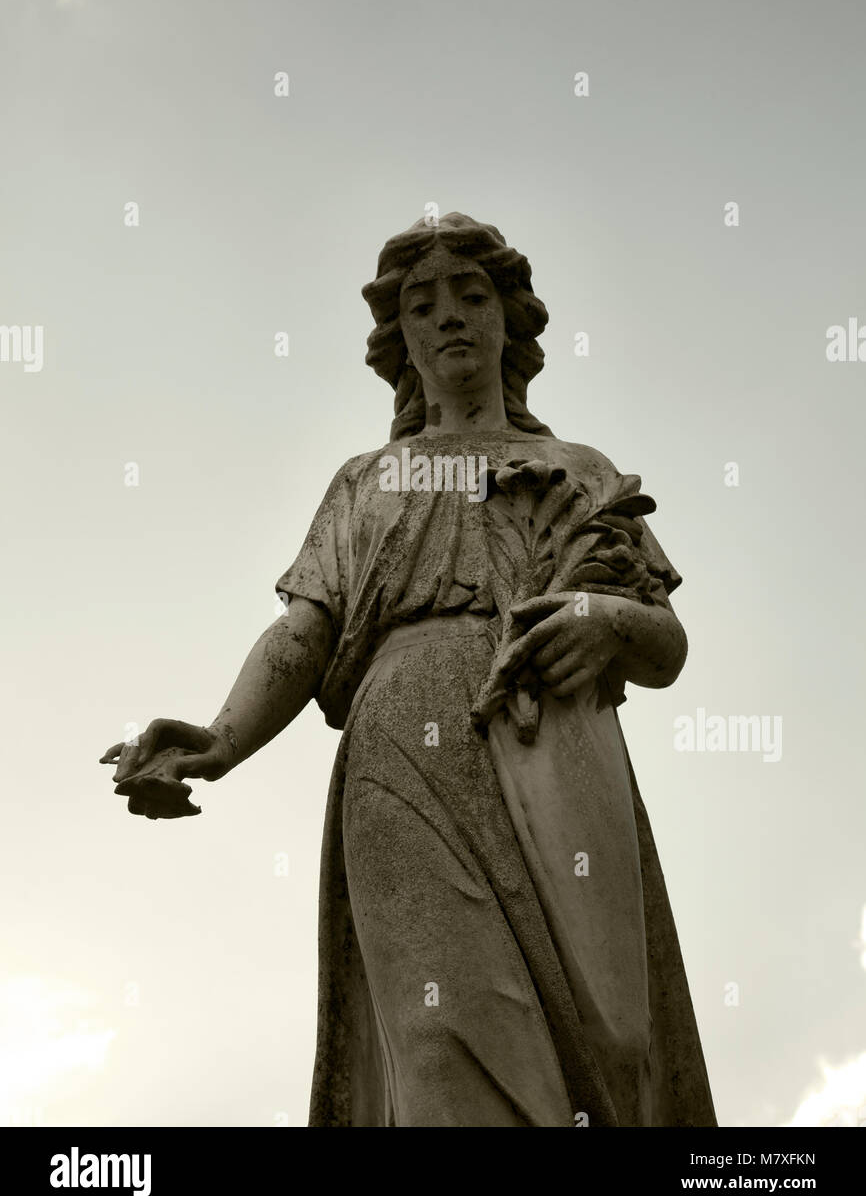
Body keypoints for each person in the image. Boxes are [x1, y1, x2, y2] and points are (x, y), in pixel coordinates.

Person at [102, 211, 717, 1128]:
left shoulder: (579, 471)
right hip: (402, 752)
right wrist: (221, 736)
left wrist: (603, 616)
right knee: (442, 1038)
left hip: (557, 746)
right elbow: (303, 634)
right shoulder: (367, 482)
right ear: (401, 340)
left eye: (472, 296)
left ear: (510, 320)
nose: (450, 317)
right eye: (423, 305)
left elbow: (664, 645)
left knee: (613, 1049)